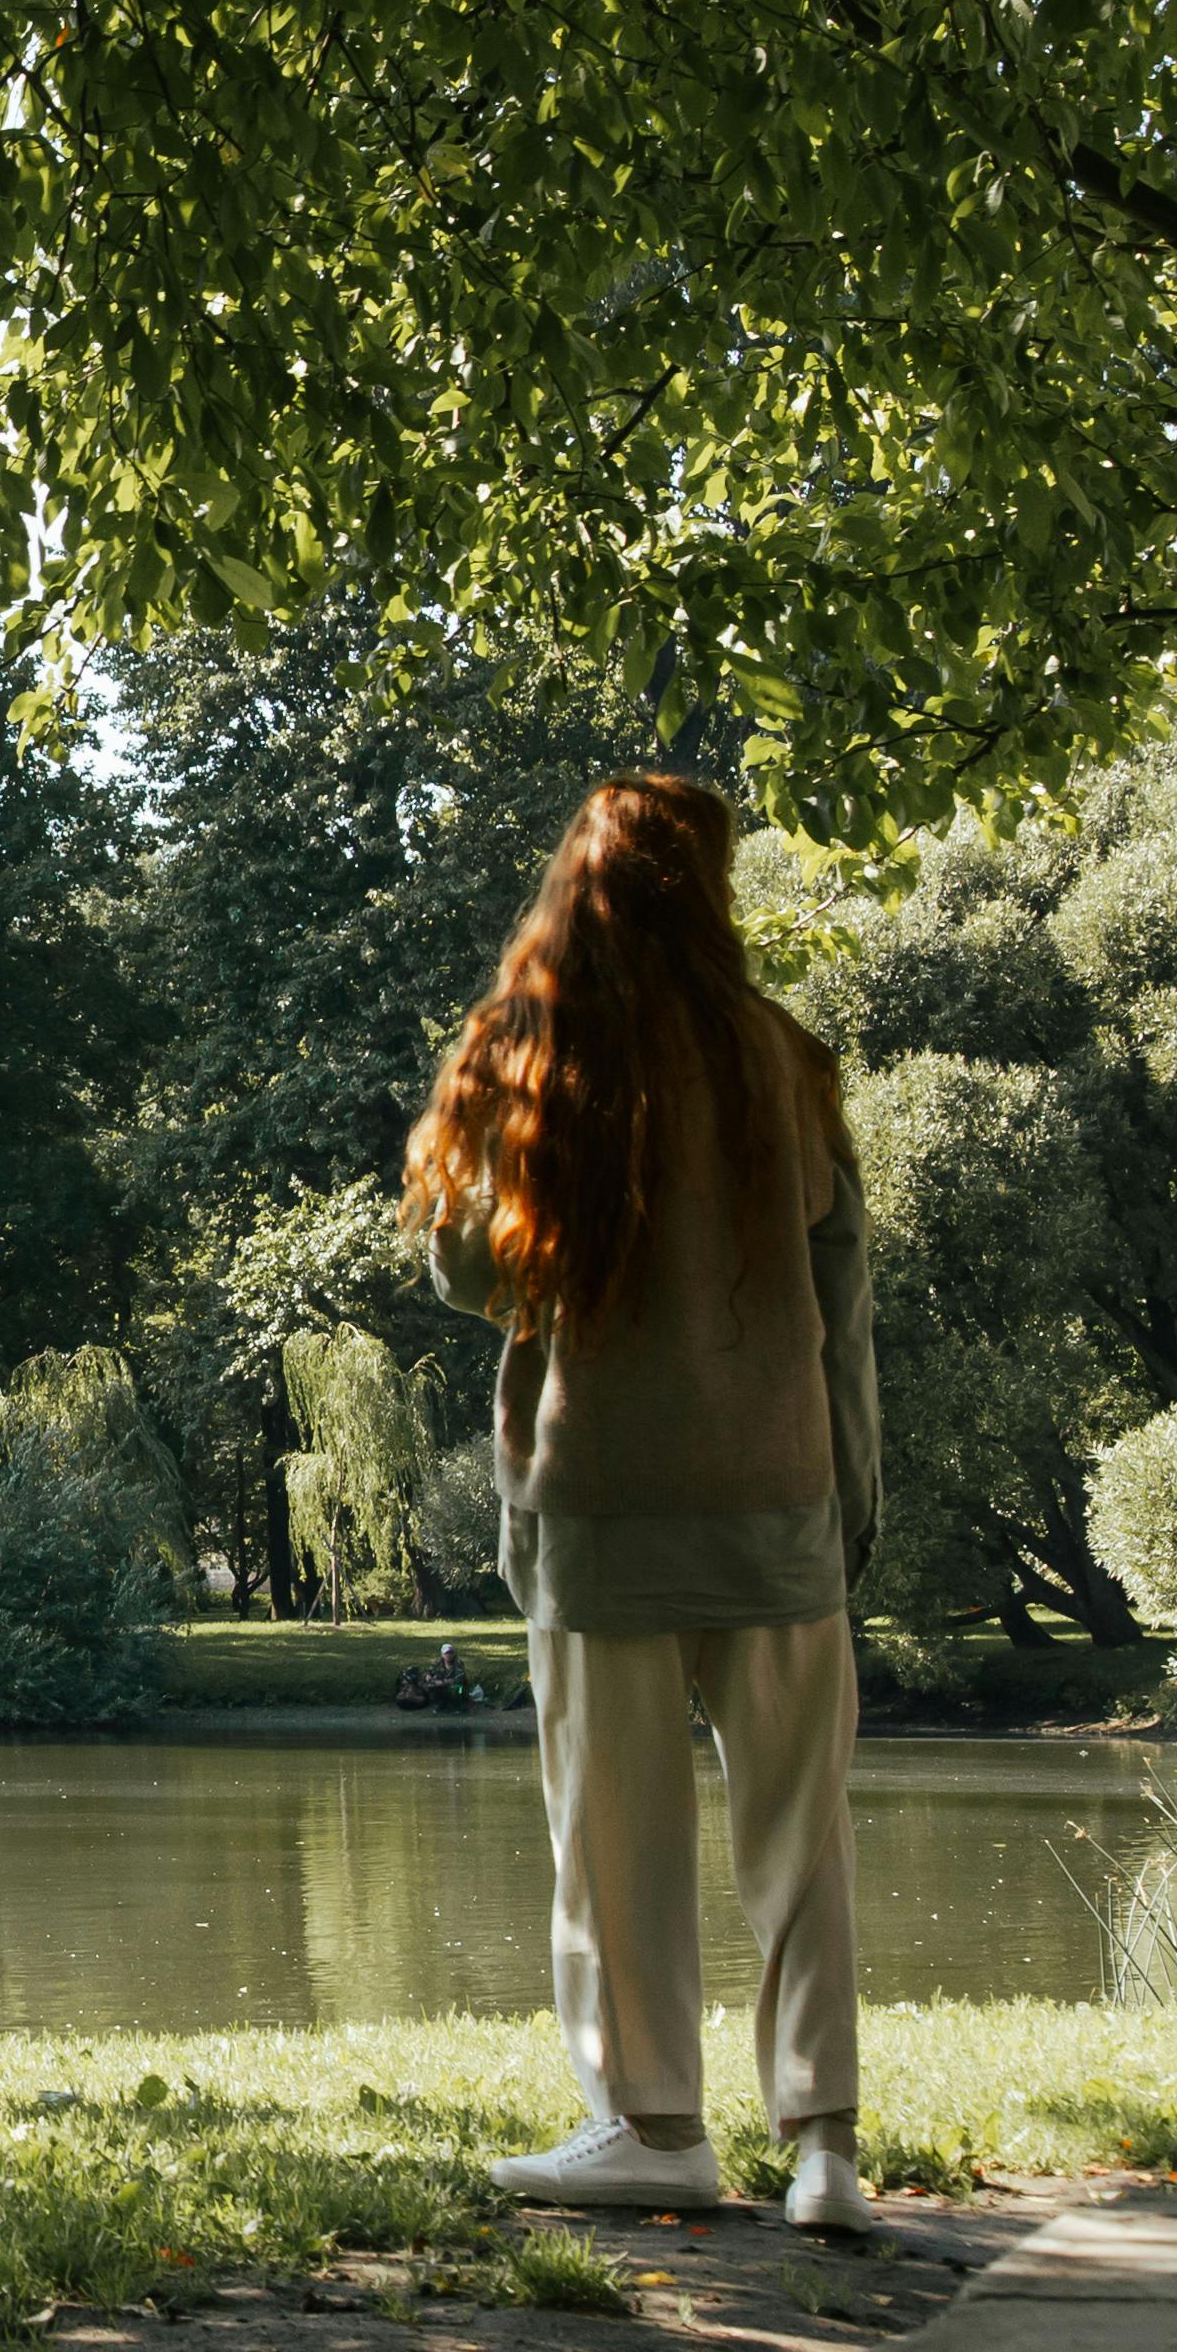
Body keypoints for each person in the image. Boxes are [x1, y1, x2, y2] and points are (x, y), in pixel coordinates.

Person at [403, 773, 883, 2238]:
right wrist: (855, 1491)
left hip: (599, 1494)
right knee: (801, 1833)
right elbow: (842, 1301)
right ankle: (823, 2149)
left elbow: (468, 1275)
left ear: (579, 886)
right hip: (776, 1487)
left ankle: (656, 2127)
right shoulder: (781, 1057)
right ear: (708, 888)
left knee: (612, 1835)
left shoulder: (532, 1053)